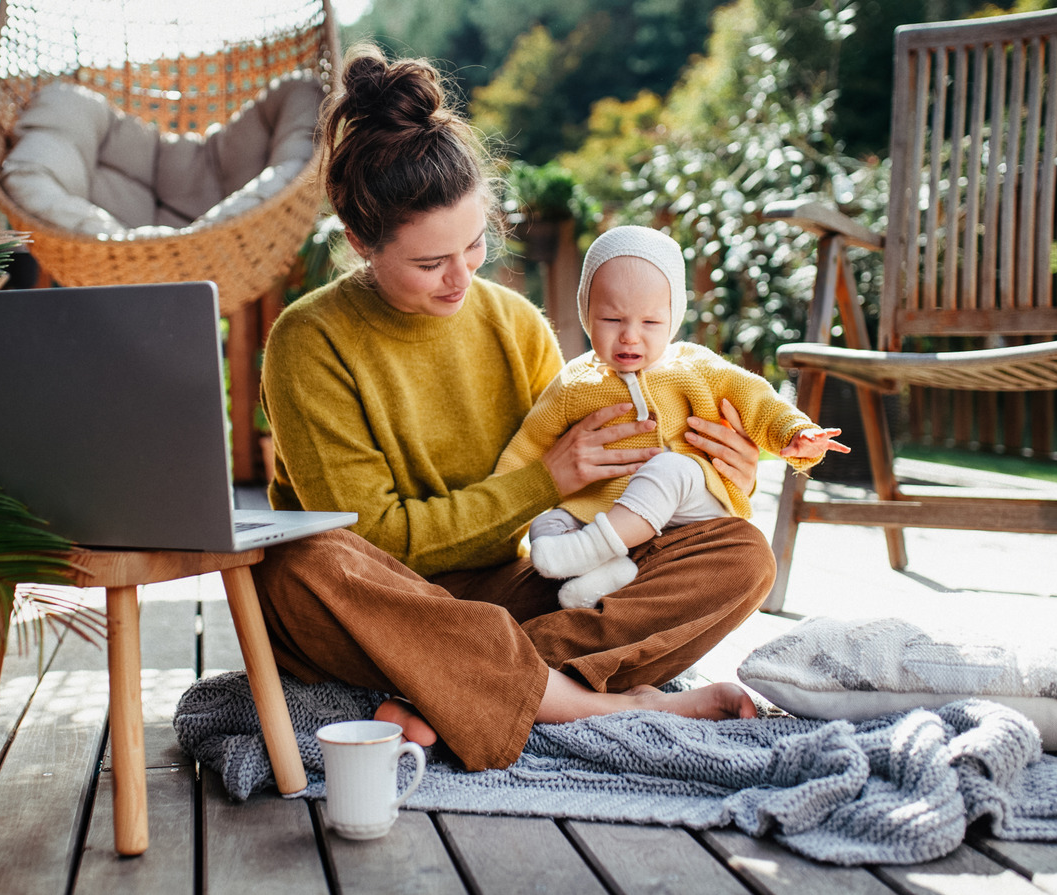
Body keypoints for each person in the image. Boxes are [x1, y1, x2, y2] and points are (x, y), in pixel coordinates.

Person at [253, 45, 772, 773]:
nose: (461, 278)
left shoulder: (517, 324)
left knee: (742, 555)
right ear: (361, 242)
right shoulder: (308, 342)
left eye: (474, 245)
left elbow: (606, 496)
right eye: (431, 263)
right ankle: (602, 704)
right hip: (379, 600)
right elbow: (377, 541)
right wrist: (541, 483)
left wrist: (724, 478)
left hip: (509, 595)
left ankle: (449, 691)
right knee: (297, 559)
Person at [495, 226, 849, 609]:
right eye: (612, 320)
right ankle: (602, 572)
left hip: (690, 506)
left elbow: (756, 397)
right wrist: (500, 508)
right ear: (587, 315)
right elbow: (529, 445)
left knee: (670, 468)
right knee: (548, 525)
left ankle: (593, 550)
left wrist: (793, 433)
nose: (630, 336)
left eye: (650, 323)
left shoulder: (694, 365)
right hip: (603, 514)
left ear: (673, 318)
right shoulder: (574, 384)